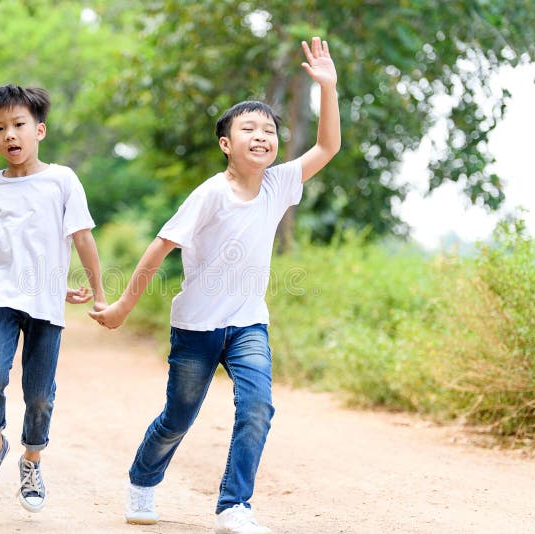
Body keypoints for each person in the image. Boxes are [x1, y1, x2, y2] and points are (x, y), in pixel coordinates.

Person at [89, 37, 340, 533]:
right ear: (227, 144)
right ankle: (142, 481)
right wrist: (120, 305)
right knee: (179, 417)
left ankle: (234, 505)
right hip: (197, 327)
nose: (262, 136)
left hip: (248, 324)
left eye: (269, 129)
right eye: (248, 128)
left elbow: (328, 146)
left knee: (258, 407)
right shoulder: (210, 194)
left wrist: (327, 89)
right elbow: (160, 247)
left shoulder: (278, 184)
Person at [0, 84, 106, 513]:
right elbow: (12, 245)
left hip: (46, 304)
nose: (10, 135)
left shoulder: (62, 179)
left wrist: (97, 293)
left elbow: (80, 238)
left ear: (39, 130)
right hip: (2, 296)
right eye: (0, 128)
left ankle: (31, 459)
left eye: (19, 125)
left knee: (40, 394)